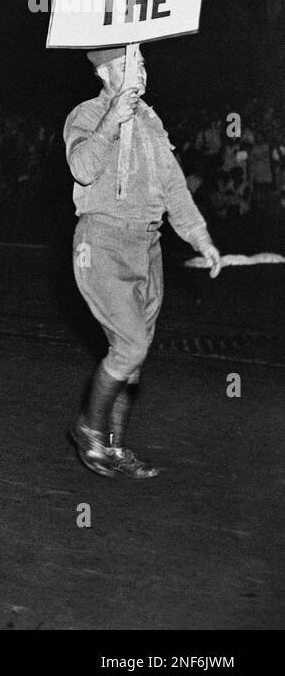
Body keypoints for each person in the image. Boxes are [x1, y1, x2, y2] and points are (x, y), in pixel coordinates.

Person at [65, 46, 222, 479]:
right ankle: (88, 428)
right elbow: (81, 167)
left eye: (143, 62)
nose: (141, 71)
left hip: (147, 246)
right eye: (129, 64)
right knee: (131, 343)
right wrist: (112, 118)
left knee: (134, 358)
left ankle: (114, 450)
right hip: (102, 241)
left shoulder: (152, 121)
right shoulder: (85, 114)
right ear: (104, 74)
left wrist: (200, 237)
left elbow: (173, 189)